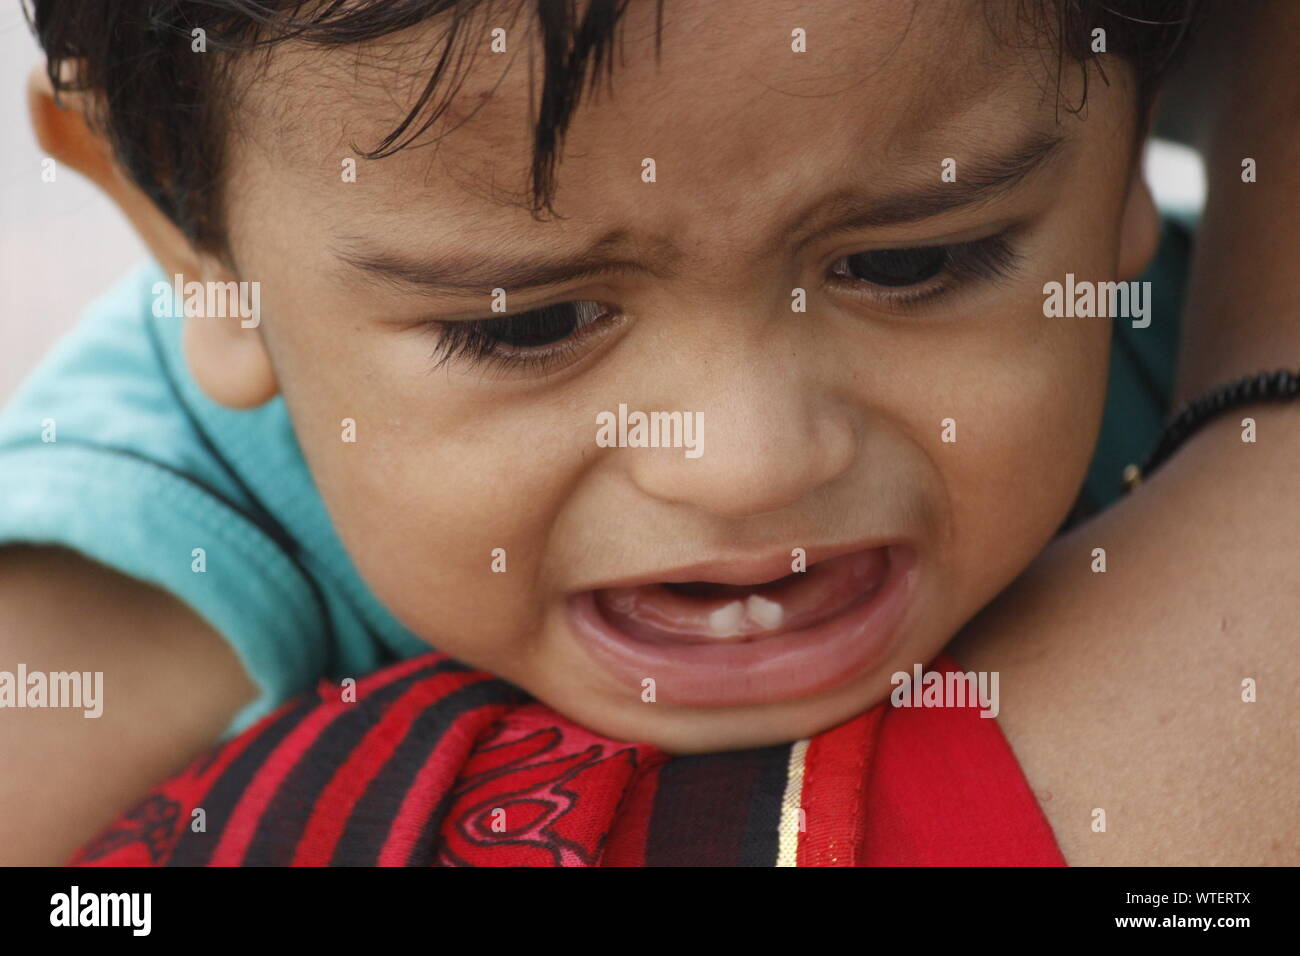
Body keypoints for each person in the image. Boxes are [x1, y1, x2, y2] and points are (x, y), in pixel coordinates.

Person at [2, 0, 1292, 865]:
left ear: (1129, 146)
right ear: (187, 240)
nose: (750, 463)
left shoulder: (1205, 351)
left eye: (912, 264)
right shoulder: (161, 539)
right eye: (531, 323)